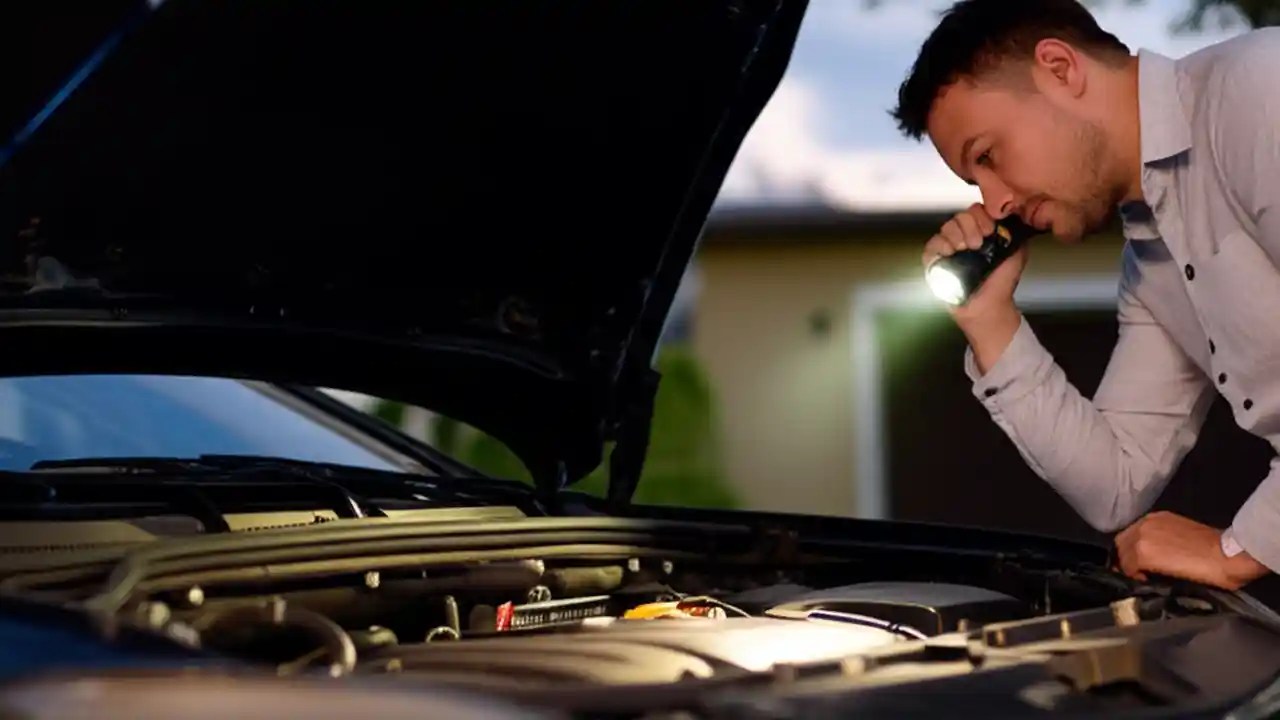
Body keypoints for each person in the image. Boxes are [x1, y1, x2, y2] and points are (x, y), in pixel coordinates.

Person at [890, 0, 1280, 592]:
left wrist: (1238, 549)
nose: (995, 205)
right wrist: (990, 322)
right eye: (976, 183)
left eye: (988, 155)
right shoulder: (1152, 260)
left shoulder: (1258, 92)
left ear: (1060, 69)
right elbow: (1115, 485)